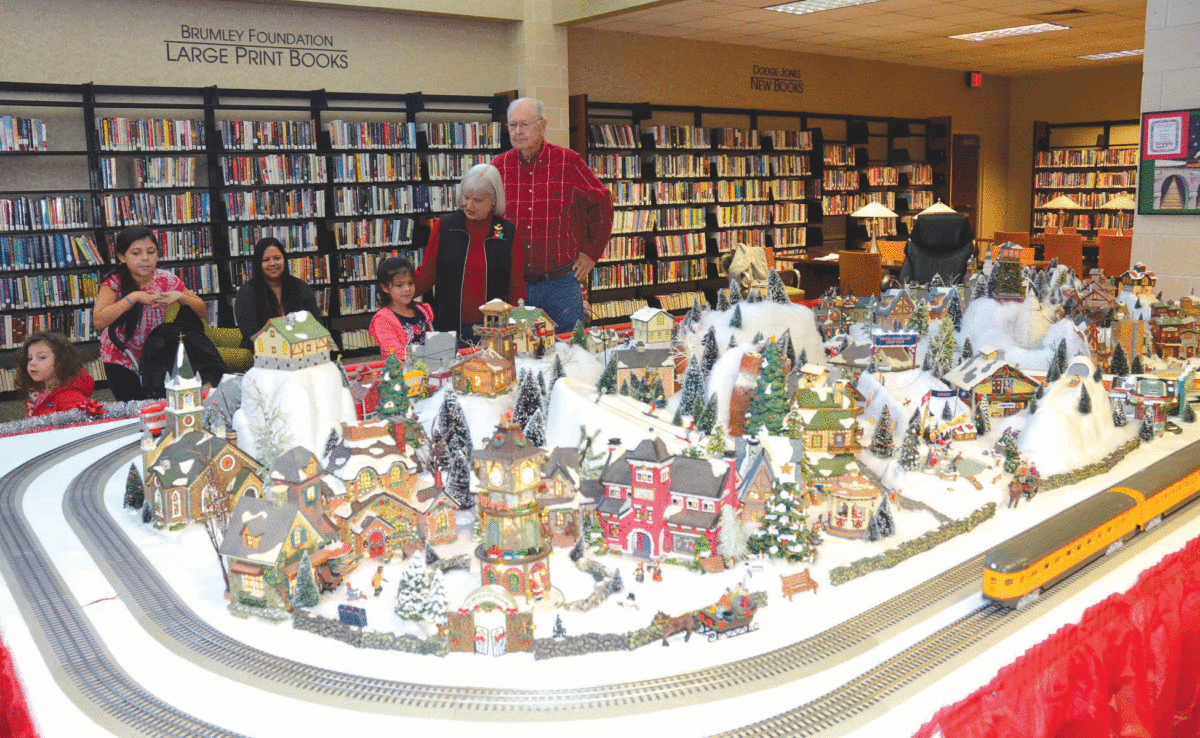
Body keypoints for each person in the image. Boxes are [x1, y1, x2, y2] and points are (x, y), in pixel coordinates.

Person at [491, 97, 613, 333]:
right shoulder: (498, 167)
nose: (517, 132)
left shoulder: (568, 162)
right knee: (522, 354)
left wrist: (591, 253)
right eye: (512, 125)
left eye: (524, 125)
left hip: (561, 283)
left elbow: (603, 203)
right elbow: (491, 221)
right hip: (516, 286)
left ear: (543, 126)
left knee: (570, 351)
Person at [412, 163, 524, 347]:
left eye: (478, 200)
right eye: (466, 197)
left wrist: (517, 324)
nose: (469, 205)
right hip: (448, 326)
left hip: (494, 328)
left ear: (494, 200)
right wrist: (397, 294)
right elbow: (427, 273)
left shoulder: (507, 232)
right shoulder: (445, 226)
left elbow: (516, 284)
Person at [93, 225, 207, 401]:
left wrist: (179, 297)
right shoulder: (113, 282)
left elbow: (201, 311)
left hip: (157, 355)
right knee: (134, 409)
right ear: (122, 257)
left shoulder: (166, 279)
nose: (145, 259)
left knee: (162, 406)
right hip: (120, 357)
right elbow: (99, 321)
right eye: (136, 253)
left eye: (151, 252)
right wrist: (134, 297)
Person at [233, 237, 324, 351]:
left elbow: (316, 323)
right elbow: (251, 335)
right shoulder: (246, 294)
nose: (272, 263)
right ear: (258, 264)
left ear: (284, 260)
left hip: (302, 349)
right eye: (266, 260)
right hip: (264, 353)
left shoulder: (301, 287)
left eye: (277, 258)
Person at [15, 331, 94, 417]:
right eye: (29, 358)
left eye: (42, 357)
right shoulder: (36, 391)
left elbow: (80, 426)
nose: (32, 363)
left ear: (61, 361)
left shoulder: (71, 398)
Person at [369, 256, 433, 360]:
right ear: (385, 287)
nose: (407, 289)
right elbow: (393, 351)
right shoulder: (382, 319)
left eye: (410, 283)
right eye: (399, 285)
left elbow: (432, 338)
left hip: (426, 367)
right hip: (400, 372)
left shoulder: (422, 310)